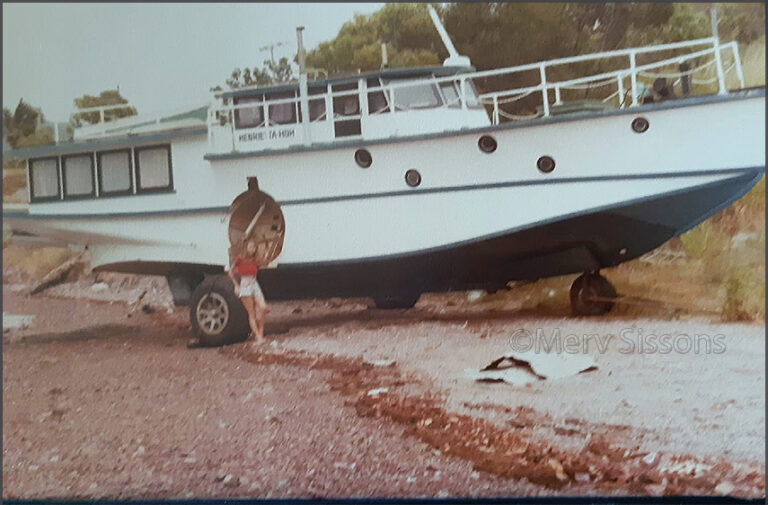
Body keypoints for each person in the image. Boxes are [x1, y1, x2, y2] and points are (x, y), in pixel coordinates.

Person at [228, 239, 267, 344]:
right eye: (250, 247)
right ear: (246, 248)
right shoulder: (240, 259)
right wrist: (236, 285)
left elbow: (256, 272)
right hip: (245, 284)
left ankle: (261, 332)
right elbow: (230, 272)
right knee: (251, 312)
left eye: (254, 247)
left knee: (263, 307)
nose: (252, 249)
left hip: (254, 283)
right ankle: (258, 336)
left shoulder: (255, 260)